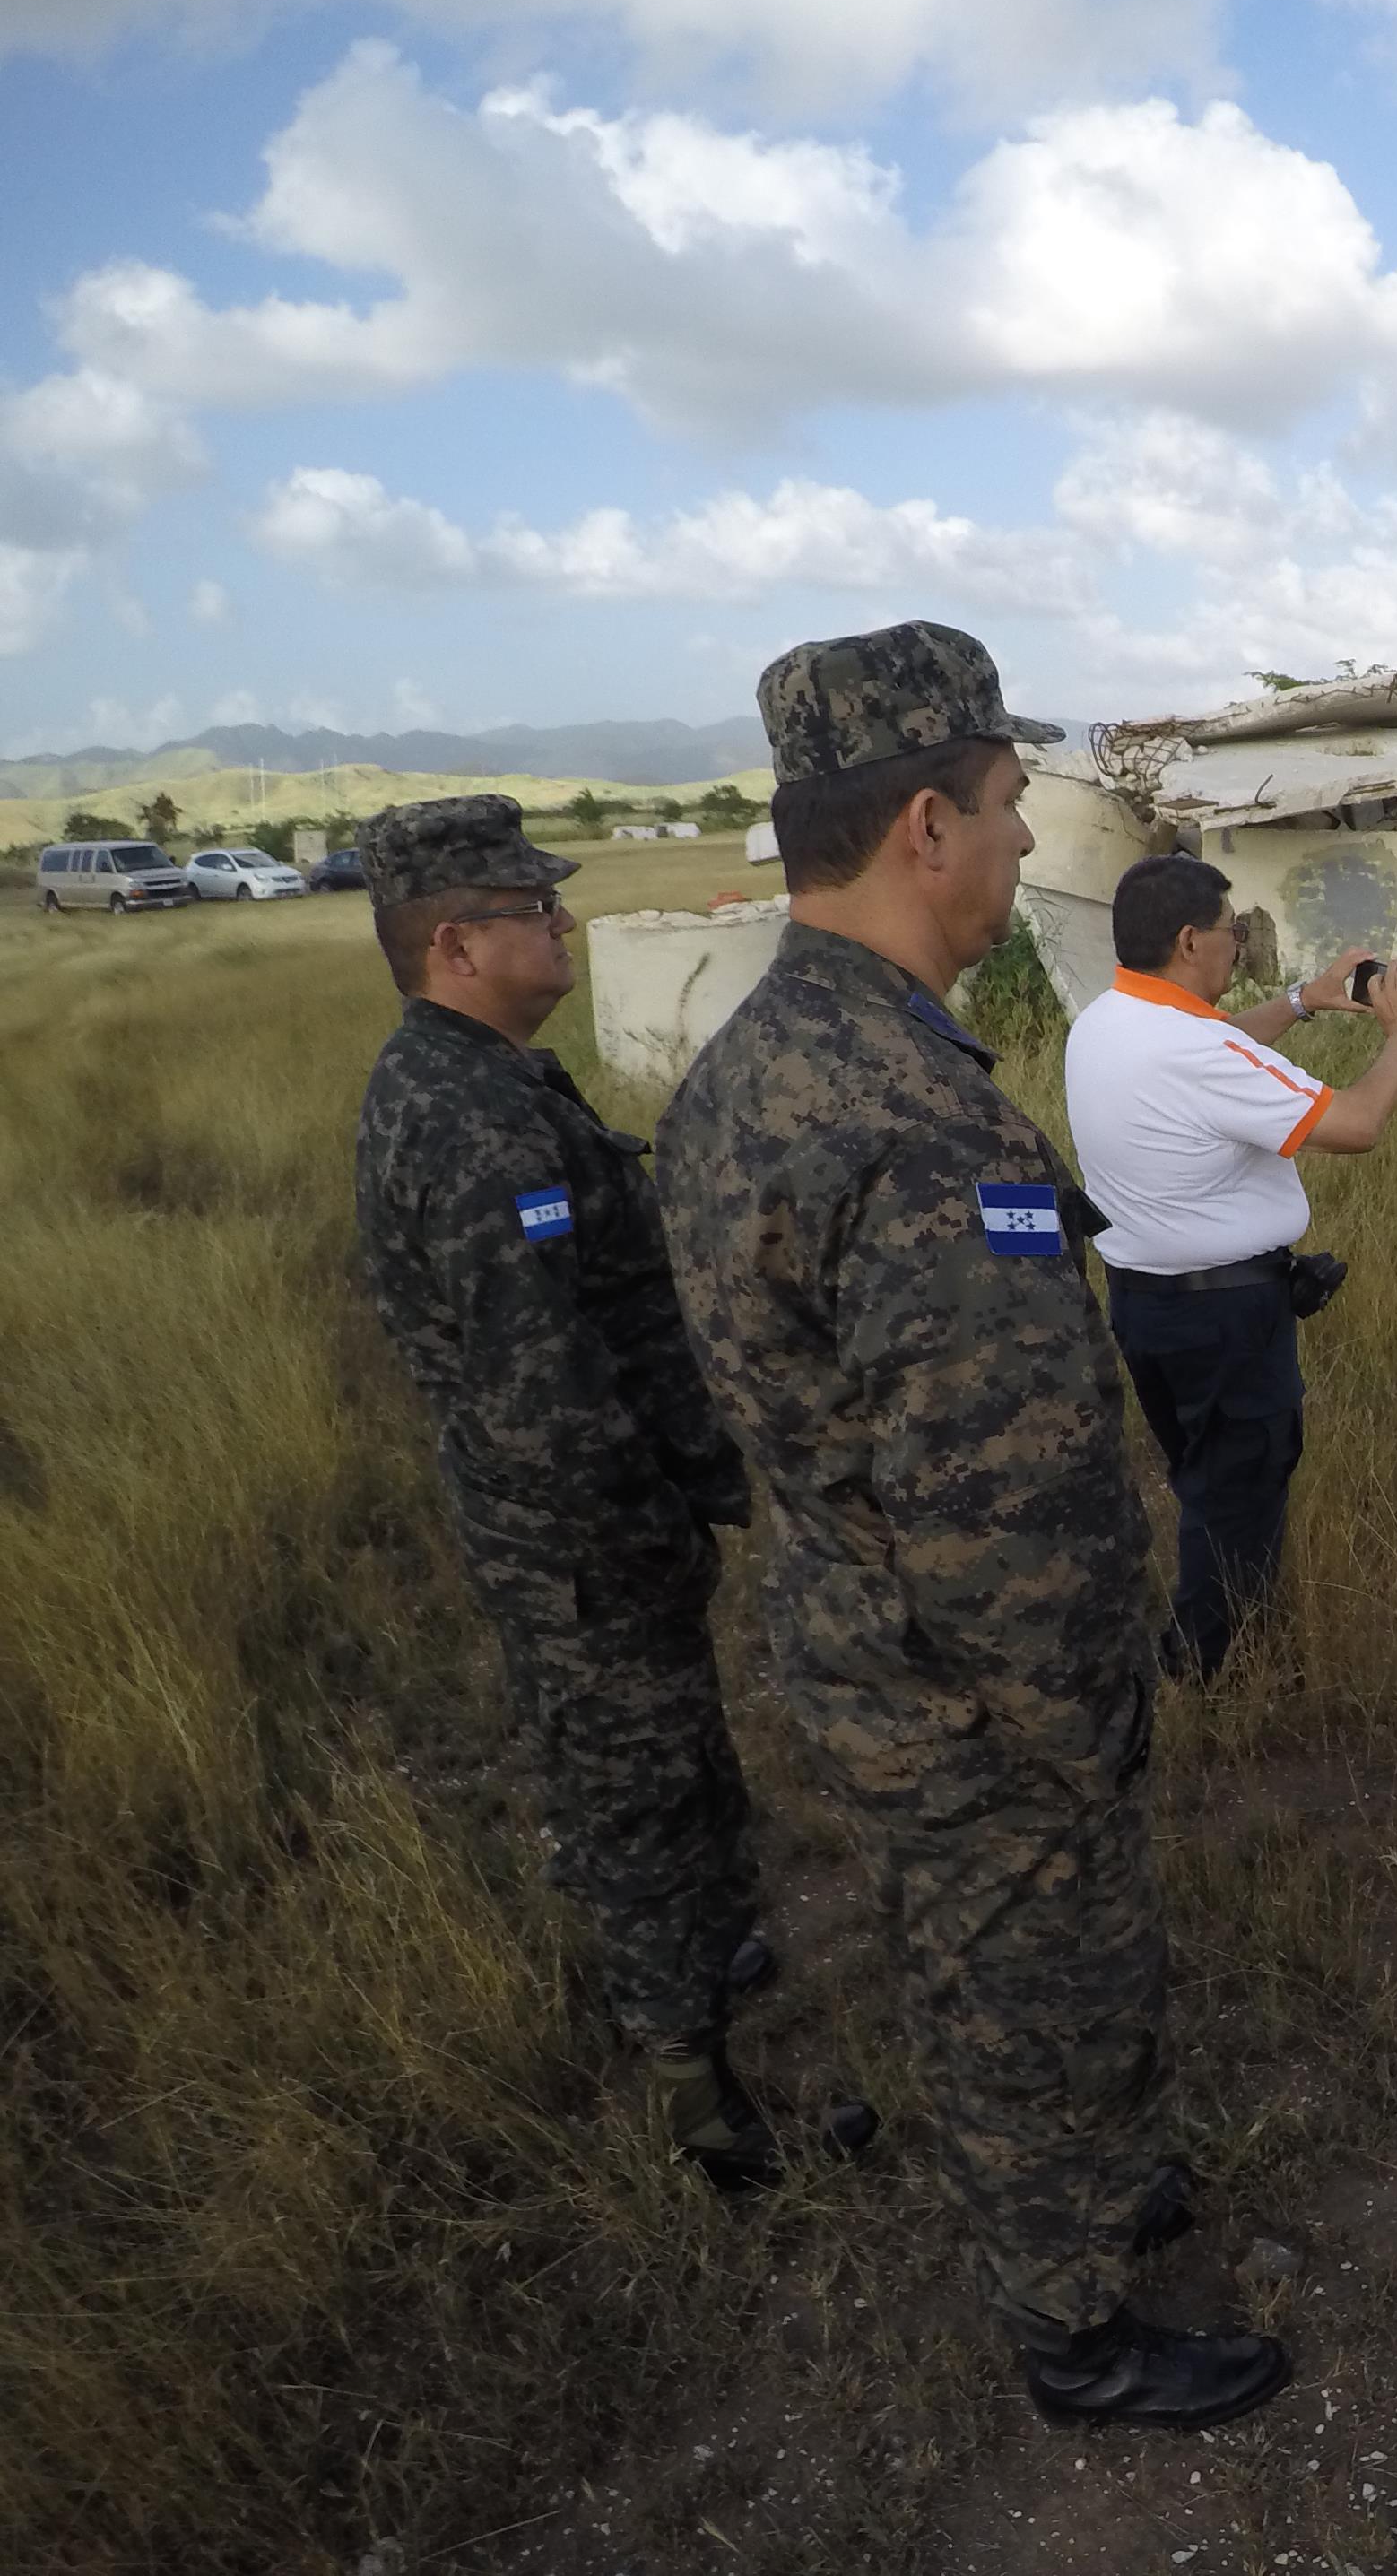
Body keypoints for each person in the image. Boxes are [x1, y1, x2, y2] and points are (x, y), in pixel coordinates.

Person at [656, 621, 1288, 2433]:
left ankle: (1093, 2196)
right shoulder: (907, 1118)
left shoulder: (764, 1057)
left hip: (867, 1647)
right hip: (981, 1691)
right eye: (1010, 807)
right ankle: (1075, 2323)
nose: (1027, 847)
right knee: (1026, 1984)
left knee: (1003, 1972)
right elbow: (992, 1487)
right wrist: (1071, 1710)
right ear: (924, 823)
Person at [349, 794, 811, 2191]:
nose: (562, 924)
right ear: (456, 946)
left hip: (598, 1536)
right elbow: (539, 1391)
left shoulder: (490, 1082)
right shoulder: (465, 1122)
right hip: (584, 1551)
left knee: (669, 1783)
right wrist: (655, 1522)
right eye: (532, 910)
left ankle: (708, 1986)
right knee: (642, 1799)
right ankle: (705, 2109)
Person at [1064, 854, 1397, 1679]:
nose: (1239, 948)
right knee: (1238, 1495)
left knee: (1203, 1481)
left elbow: (1215, 1046)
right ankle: (1210, 1670)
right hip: (1225, 1320)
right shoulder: (1194, 1051)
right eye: (1233, 934)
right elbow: (1358, 1123)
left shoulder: (1107, 1021)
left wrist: (1303, 1001)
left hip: (1145, 1306)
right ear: (1191, 940)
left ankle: (1230, 1638)